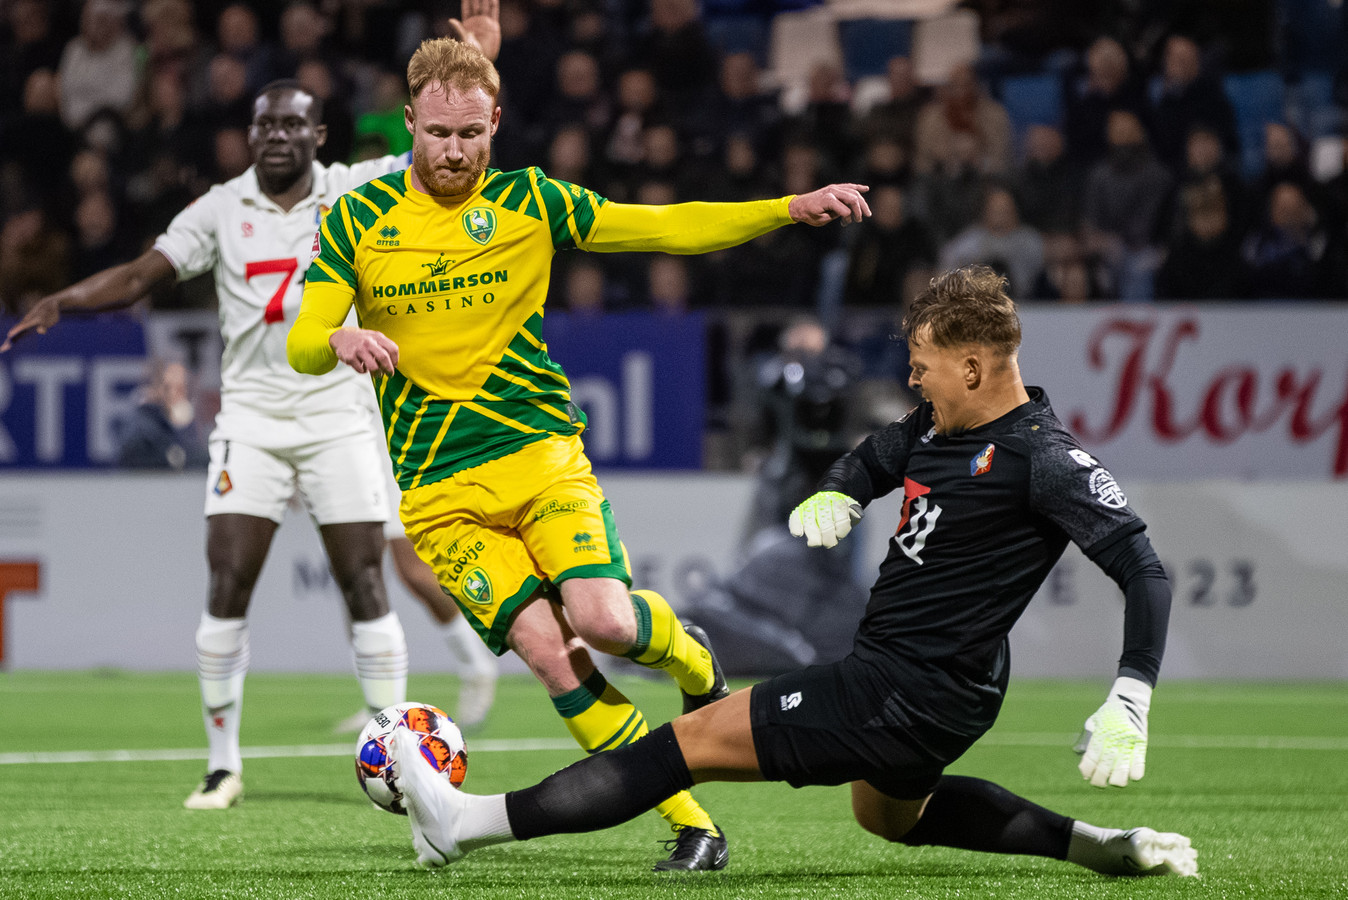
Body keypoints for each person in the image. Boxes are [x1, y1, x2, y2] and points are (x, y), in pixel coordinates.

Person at [382, 266, 1200, 882]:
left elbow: (1144, 571)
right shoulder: (940, 422)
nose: (913, 379)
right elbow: (874, 456)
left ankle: (466, 822)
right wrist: (840, 495)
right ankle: (1101, 848)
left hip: (898, 687)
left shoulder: (1048, 461)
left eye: (924, 365)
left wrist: (1132, 693)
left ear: (978, 367)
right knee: (888, 816)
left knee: (683, 745)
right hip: (945, 691)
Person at [285, 36, 871, 872]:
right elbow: (302, 343)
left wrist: (784, 208)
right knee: (552, 654)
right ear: (409, 123)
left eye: (471, 135)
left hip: (540, 456)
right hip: (439, 493)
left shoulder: (531, 201)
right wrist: (338, 335)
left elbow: (663, 227)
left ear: (496, 122)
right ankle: (692, 823)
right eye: (439, 134)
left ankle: (686, 649)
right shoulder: (356, 219)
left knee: (601, 619)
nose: (455, 152)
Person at [1, 1, 505, 811]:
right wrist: (65, 299)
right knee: (227, 580)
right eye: (264, 124)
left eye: (292, 125)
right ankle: (223, 763)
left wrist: (477, 57)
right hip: (252, 423)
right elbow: (142, 274)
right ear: (249, 135)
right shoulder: (218, 208)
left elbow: (445, 151)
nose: (276, 135)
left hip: (340, 416)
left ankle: (398, 754)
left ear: (318, 138)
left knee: (364, 583)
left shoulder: (355, 190)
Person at [116, 358, 210, 470]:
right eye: (169, 388)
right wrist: (176, 457)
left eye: (181, 388)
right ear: (157, 389)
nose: (176, 394)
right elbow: (132, 458)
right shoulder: (141, 424)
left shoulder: (190, 424)